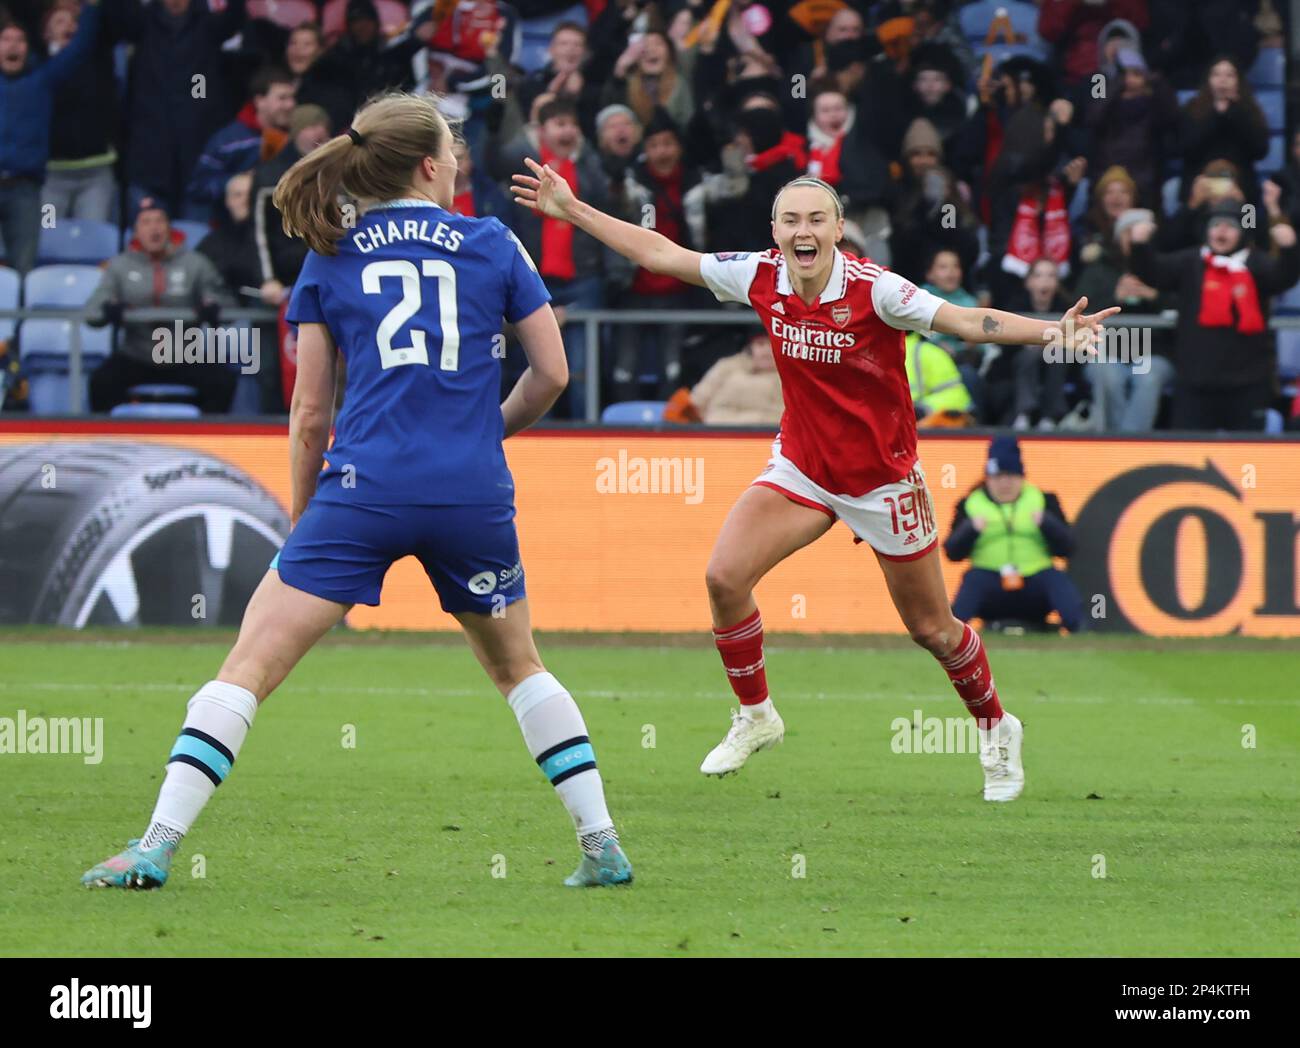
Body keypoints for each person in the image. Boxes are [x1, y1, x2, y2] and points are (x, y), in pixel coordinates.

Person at [82, 93, 632, 891]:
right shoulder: (492, 242)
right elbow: (553, 373)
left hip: (363, 489)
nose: (458, 164)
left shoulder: (332, 251)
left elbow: (309, 415)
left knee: (247, 667)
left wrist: (306, 517)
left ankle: (157, 844)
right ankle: (602, 845)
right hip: (471, 494)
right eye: (452, 150)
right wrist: (483, 435)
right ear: (428, 164)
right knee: (521, 671)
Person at [513, 165, 1119, 801]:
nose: (804, 231)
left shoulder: (879, 291)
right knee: (724, 577)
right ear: (775, 232)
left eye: (816, 219)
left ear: (837, 230)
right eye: (791, 220)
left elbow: (970, 322)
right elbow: (664, 254)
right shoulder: (758, 275)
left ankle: (996, 728)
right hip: (803, 465)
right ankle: (756, 717)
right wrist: (574, 208)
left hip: (883, 481)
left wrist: (1053, 330)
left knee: (933, 629)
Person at [945, 436, 1083, 633]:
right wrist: (970, 530)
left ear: (1021, 477)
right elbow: (951, 553)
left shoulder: (1044, 501)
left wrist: (1047, 524)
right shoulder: (969, 504)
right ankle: (949, 636)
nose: (1004, 484)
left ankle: (1082, 632)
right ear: (988, 478)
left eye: (1010, 476)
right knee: (973, 581)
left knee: (1056, 579)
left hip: (1034, 580)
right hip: (990, 580)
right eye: (998, 477)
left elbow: (1069, 548)